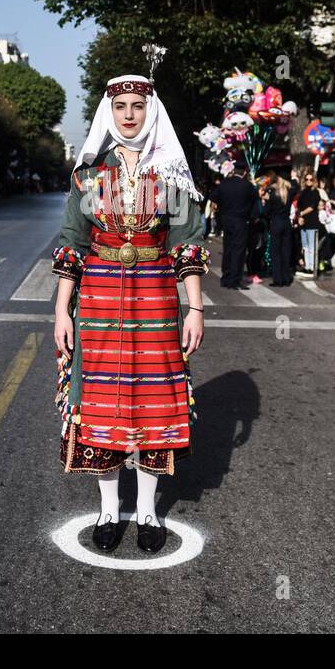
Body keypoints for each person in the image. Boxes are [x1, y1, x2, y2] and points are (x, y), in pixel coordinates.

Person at [52, 73, 209, 554]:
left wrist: (195, 307)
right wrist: (61, 311)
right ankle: (106, 509)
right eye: (120, 106)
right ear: (109, 113)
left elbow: (186, 246)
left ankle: (145, 510)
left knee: (151, 405)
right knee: (101, 406)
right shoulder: (88, 175)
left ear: (150, 111)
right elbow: (73, 246)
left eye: (137, 106)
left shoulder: (173, 176)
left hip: (157, 304)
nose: (128, 114)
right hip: (96, 304)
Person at [211, 165, 258, 289]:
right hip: (241, 220)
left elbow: (214, 197)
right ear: (244, 173)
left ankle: (226, 277)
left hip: (226, 219)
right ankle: (235, 279)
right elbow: (255, 203)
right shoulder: (247, 186)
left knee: (228, 249)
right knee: (239, 250)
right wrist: (253, 218)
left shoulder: (225, 183)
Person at [263, 174, 295, 286]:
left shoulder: (273, 195)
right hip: (286, 223)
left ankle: (278, 279)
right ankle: (286, 277)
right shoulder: (289, 192)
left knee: (275, 252)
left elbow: (265, 212)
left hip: (276, 223)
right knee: (286, 251)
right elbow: (295, 186)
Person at [294, 171, 323, 278]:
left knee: (311, 246)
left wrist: (301, 214)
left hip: (312, 221)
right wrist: (300, 216)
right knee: (305, 246)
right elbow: (298, 205)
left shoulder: (315, 192)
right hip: (303, 222)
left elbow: (312, 206)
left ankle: (311, 268)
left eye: (311, 179)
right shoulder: (303, 192)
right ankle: (307, 267)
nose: (309, 181)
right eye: (307, 179)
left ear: (314, 181)